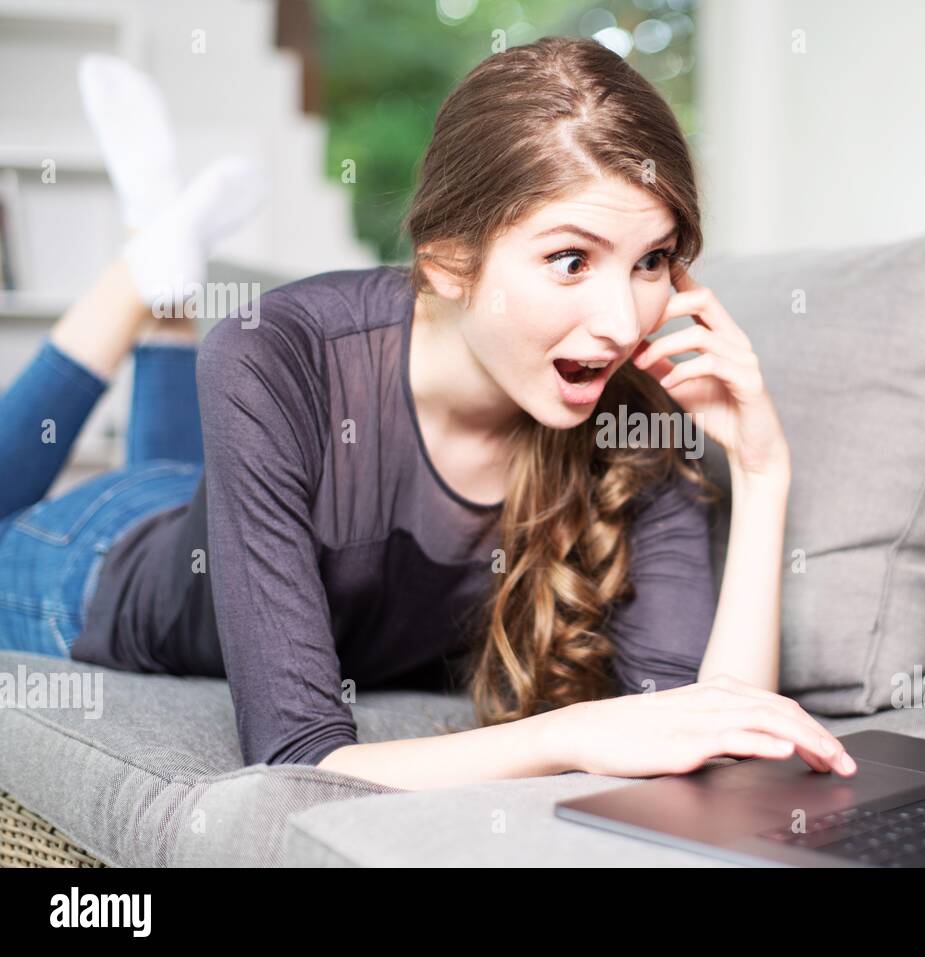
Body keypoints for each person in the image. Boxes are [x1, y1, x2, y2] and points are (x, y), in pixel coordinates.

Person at [0, 40, 859, 791]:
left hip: (226, 499)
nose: (625, 321)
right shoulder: (275, 351)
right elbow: (300, 757)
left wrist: (759, 469)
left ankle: (164, 260)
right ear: (448, 258)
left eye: (653, 261)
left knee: (193, 476)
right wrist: (570, 735)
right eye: (570, 260)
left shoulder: (632, 416)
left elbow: (710, 727)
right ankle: (142, 267)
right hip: (93, 564)